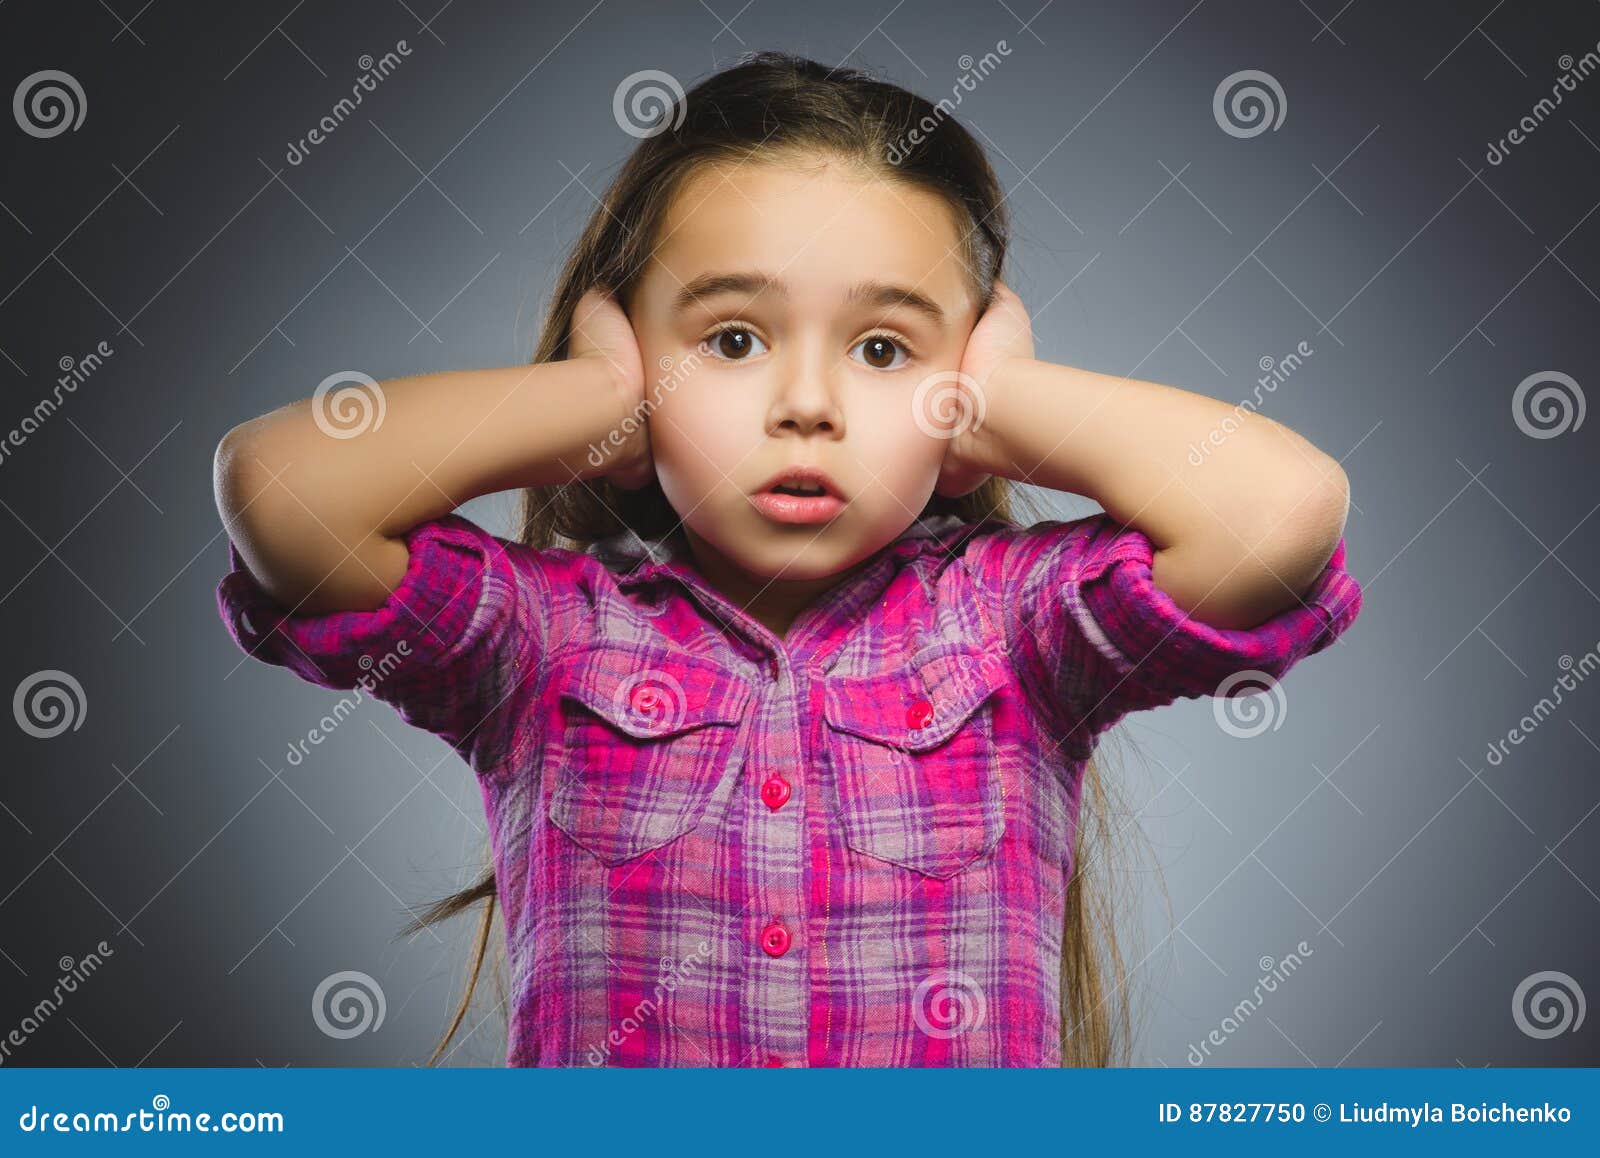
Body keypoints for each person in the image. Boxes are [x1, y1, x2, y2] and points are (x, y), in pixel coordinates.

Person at [212, 51, 1362, 1067]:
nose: (806, 404)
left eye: (883, 350)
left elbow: (1280, 512)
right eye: (731, 339)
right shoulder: (544, 641)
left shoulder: (1016, 632)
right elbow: (283, 491)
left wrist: (1008, 399)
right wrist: (591, 404)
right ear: (636, 356)